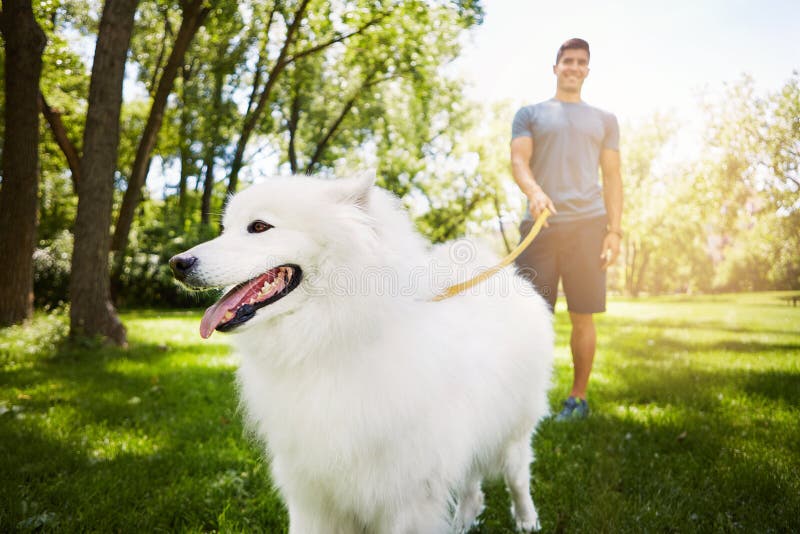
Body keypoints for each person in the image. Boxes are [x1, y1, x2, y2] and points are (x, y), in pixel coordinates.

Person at [510, 38, 623, 421]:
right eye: (567, 61)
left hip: (588, 225)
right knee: (528, 317)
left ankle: (577, 399)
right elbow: (519, 161)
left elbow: (612, 176)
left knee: (582, 315)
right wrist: (535, 191)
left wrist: (615, 230)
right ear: (555, 67)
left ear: (587, 70)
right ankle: (523, 400)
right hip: (539, 224)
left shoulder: (605, 120)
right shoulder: (530, 114)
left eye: (581, 62)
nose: (574, 67)